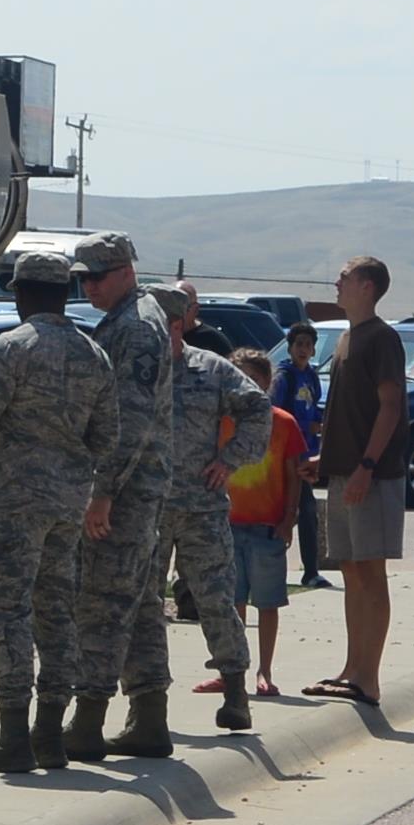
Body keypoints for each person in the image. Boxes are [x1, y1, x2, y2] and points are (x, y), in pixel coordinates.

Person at [0, 254, 118, 777]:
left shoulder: (13, 347)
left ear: (20, 294)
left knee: (7, 611)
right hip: (67, 504)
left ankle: (13, 735)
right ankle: (50, 733)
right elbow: (108, 437)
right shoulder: (93, 354)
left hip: (14, 501)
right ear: (65, 293)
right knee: (56, 613)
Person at [122, 284, 267, 744]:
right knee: (144, 605)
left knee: (214, 600)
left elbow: (257, 408)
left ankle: (236, 692)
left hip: (201, 506)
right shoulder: (135, 372)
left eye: (162, 323)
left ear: (180, 324)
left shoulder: (212, 369)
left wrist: (230, 458)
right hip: (148, 507)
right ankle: (146, 703)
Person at [66, 232, 177, 764]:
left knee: (103, 603)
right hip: (142, 484)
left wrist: (102, 493)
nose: (87, 285)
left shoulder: (134, 328)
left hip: (127, 488)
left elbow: (126, 423)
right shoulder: (138, 316)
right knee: (140, 605)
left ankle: (88, 721)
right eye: (83, 277)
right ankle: (149, 718)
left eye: (96, 275)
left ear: (125, 271)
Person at [305, 256, 406, 707]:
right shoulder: (346, 337)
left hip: (373, 476)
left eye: (344, 277)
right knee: (350, 570)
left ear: (367, 286)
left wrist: (366, 465)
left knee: (371, 571)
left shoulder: (383, 338)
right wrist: (325, 459)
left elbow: (390, 406)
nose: (337, 283)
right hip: (343, 473)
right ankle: (351, 668)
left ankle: (370, 677)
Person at [222, 345, 307, 693]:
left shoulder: (283, 423)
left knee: (267, 602)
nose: (247, 384)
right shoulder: (221, 421)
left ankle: (265, 671)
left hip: (267, 528)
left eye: (255, 379)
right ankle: (232, 671)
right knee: (231, 602)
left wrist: (289, 518)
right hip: (227, 525)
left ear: (268, 383)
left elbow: (294, 475)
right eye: (240, 377)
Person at [270, 322, 330, 589]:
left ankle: (311, 570)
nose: (304, 350)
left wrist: (322, 423)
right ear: (290, 347)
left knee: (307, 513)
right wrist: (307, 426)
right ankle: (273, 569)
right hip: (287, 455)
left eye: (308, 345)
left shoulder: (312, 377)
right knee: (294, 510)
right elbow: (277, 414)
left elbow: (312, 408)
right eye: (299, 344)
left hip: (307, 454)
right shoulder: (284, 377)